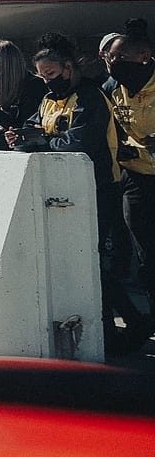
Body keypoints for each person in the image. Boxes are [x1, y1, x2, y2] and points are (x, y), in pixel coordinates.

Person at [8, 32, 153, 353]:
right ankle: (120, 324)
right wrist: (21, 135)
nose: (47, 81)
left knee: (94, 260)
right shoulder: (49, 100)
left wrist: (41, 141)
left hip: (100, 189)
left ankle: (123, 323)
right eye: (41, 76)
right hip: (60, 193)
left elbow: (79, 140)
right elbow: (32, 130)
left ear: (70, 68)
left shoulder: (90, 97)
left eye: (52, 74)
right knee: (84, 261)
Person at [101, 18, 155, 324]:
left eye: (120, 58)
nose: (113, 64)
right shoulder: (111, 87)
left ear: (143, 58)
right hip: (135, 176)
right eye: (110, 58)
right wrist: (120, 145)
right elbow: (107, 126)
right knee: (147, 251)